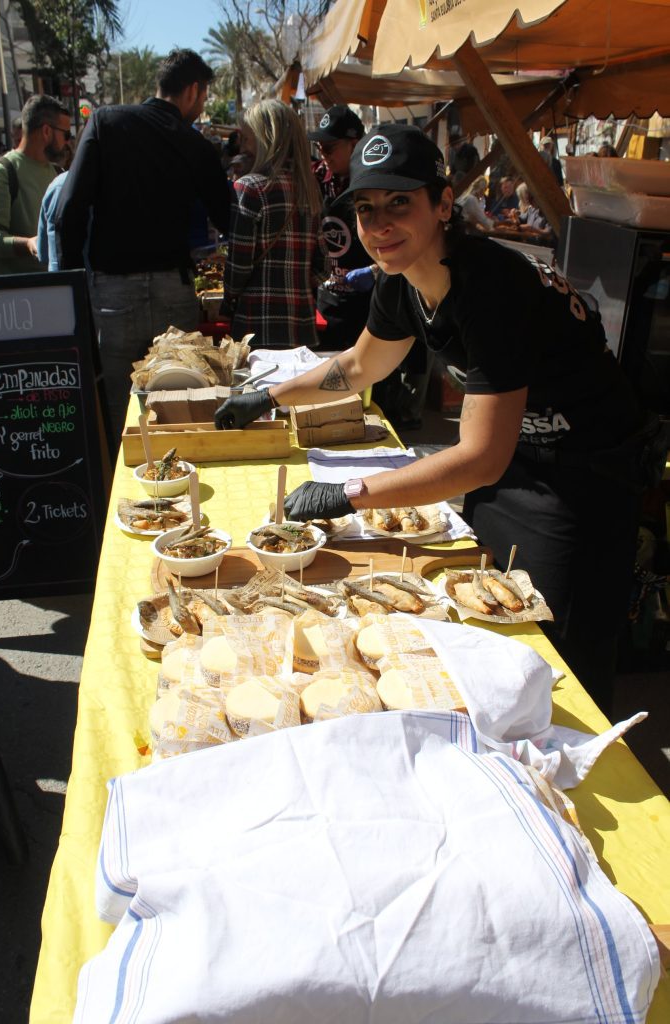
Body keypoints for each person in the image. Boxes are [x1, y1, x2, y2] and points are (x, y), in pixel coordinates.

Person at [215, 123, 654, 714]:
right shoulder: (401, 281)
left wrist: (350, 493)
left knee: (560, 657)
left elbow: (478, 456)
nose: (379, 225)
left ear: (444, 204)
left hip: (585, 474)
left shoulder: (491, 289)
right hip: (517, 460)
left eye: (400, 202)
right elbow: (359, 365)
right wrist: (270, 399)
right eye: (366, 209)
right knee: (486, 613)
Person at [56, 48, 230, 447]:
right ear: (191, 91)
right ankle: (180, 492)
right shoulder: (194, 144)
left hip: (114, 297)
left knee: (125, 416)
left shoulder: (106, 122)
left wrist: (74, 288)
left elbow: (69, 211)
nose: (202, 108)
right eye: (203, 98)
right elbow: (226, 218)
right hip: (174, 290)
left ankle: (132, 498)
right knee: (180, 408)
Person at [223, 99, 328, 349]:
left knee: (256, 389)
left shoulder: (249, 188)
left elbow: (238, 267)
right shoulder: (309, 189)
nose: (244, 147)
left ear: (265, 140)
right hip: (301, 327)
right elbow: (323, 267)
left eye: (247, 139)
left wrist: (228, 302)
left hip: (255, 325)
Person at [308, 105, 376, 349]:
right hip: (328, 301)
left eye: (330, 147)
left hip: (367, 307)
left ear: (355, 144)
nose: (323, 154)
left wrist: (376, 271)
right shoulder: (315, 180)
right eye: (319, 148)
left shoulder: (375, 184)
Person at [0, 94, 69, 276]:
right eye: (65, 134)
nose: (67, 141)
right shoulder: (0, 172)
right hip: (13, 298)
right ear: (47, 131)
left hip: (55, 291)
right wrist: (29, 244)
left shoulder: (59, 174)